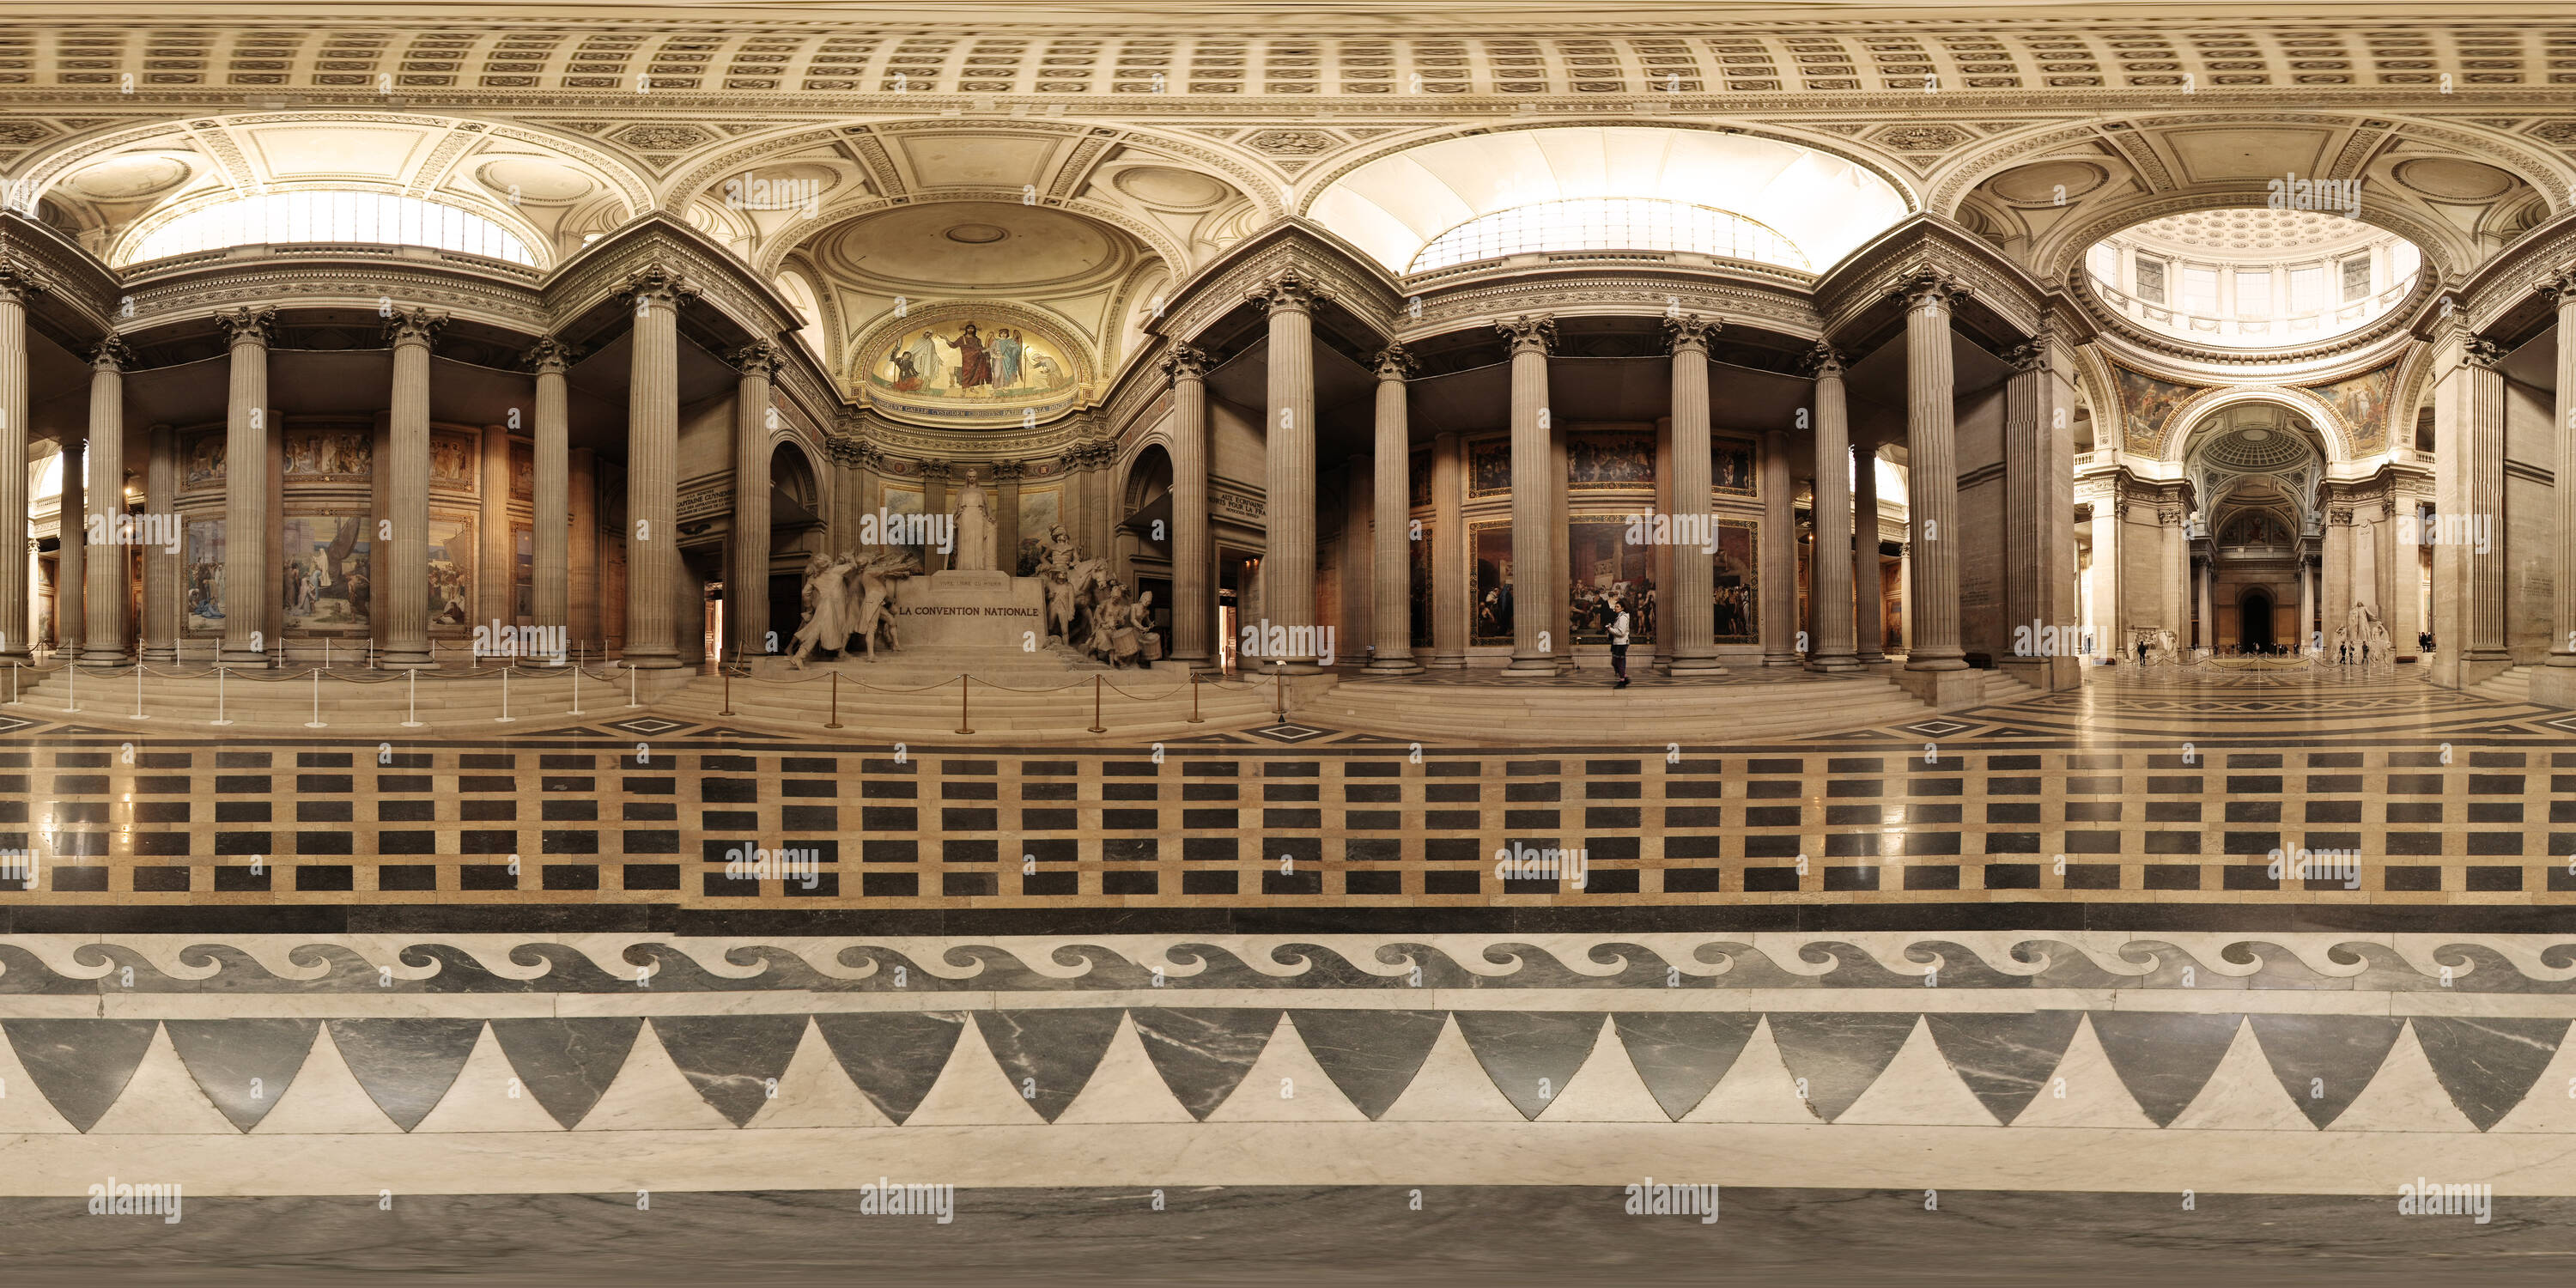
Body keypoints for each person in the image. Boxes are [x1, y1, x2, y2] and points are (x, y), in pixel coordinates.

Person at [1607, 596, 1631, 690]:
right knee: (1614, 662)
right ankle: (1624, 677)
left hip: (1621, 643)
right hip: (1617, 642)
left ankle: (1622, 681)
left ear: (1622, 608)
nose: (1615, 608)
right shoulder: (1619, 617)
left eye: (1617, 607)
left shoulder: (1623, 618)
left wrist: (1610, 629)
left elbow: (1621, 632)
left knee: (1619, 662)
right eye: (1615, 606)